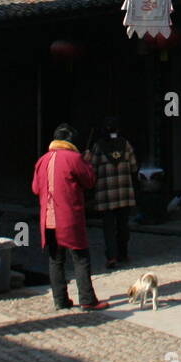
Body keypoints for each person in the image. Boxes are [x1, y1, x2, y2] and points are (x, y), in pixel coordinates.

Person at [31, 124, 108, 311]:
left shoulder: (42, 160)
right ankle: (87, 299)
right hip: (68, 217)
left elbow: (35, 188)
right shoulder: (74, 158)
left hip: (47, 220)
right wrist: (87, 162)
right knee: (80, 258)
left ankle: (60, 299)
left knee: (55, 260)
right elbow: (89, 181)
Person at [86, 116, 138, 268]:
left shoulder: (98, 146)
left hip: (105, 195)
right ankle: (123, 253)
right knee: (123, 225)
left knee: (108, 227)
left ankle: (112, 257)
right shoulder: (125, 144)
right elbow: (134, 166)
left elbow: (92, 169)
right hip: (124, 194)